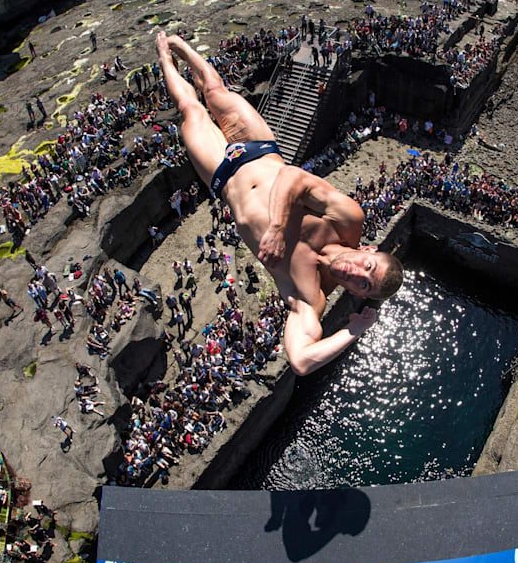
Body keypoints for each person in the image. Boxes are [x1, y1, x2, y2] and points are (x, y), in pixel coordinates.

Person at [155, 31, 403, 376]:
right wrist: (277, 228)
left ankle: (165, 57)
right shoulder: (348, 221)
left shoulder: (309, 296)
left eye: (364, 286)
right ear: (370, 249)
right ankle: (182, 47)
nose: (358, 274)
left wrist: (353, 330)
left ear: (356, 292)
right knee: (215, 92)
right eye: (369, 268)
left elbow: (301, 361)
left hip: (223, 174)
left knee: (191, 110)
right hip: (260, 149)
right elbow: (293, 178)